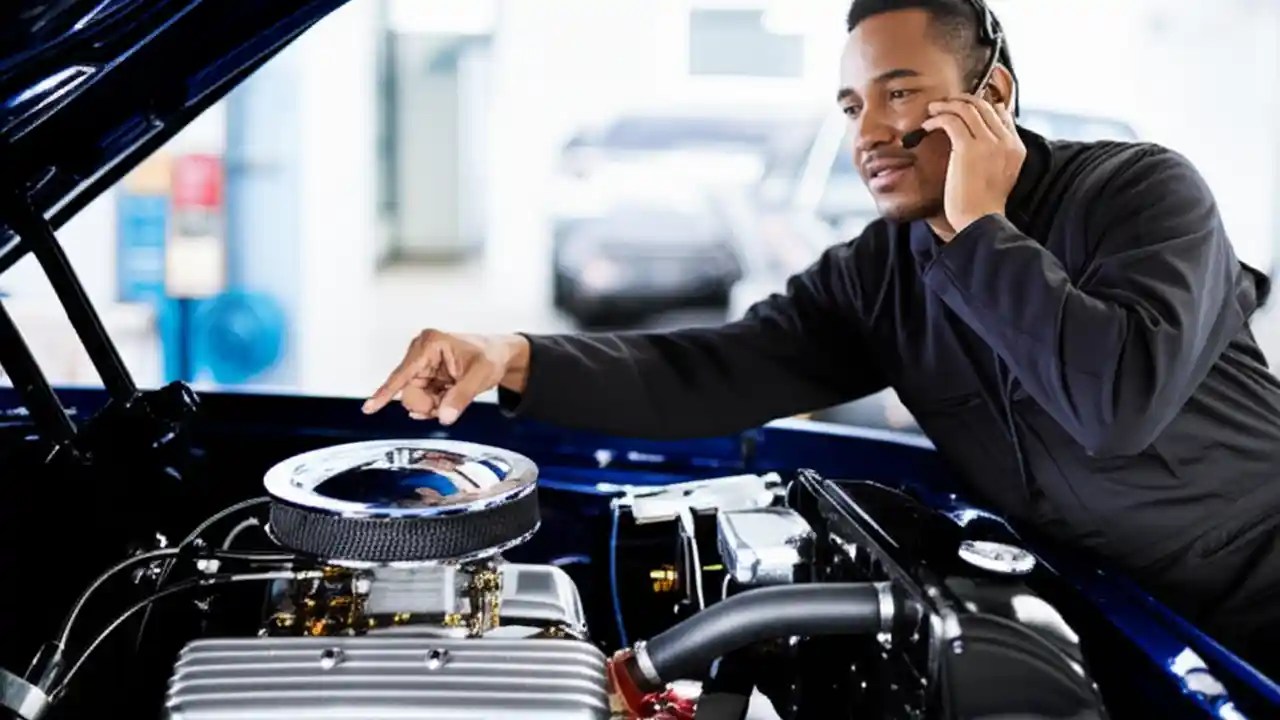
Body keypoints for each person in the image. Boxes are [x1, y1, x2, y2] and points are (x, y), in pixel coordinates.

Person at [363, 0, 1280, 679]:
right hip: (1095, 627)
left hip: (1255, 607)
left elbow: (1113, 404)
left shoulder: (1140, 196)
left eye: (900, 93)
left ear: (990, 93)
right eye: (850, 107)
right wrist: (510, 355)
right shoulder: (877, 273)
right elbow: (713, 370)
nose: (870, 134)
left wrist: (980, 231)